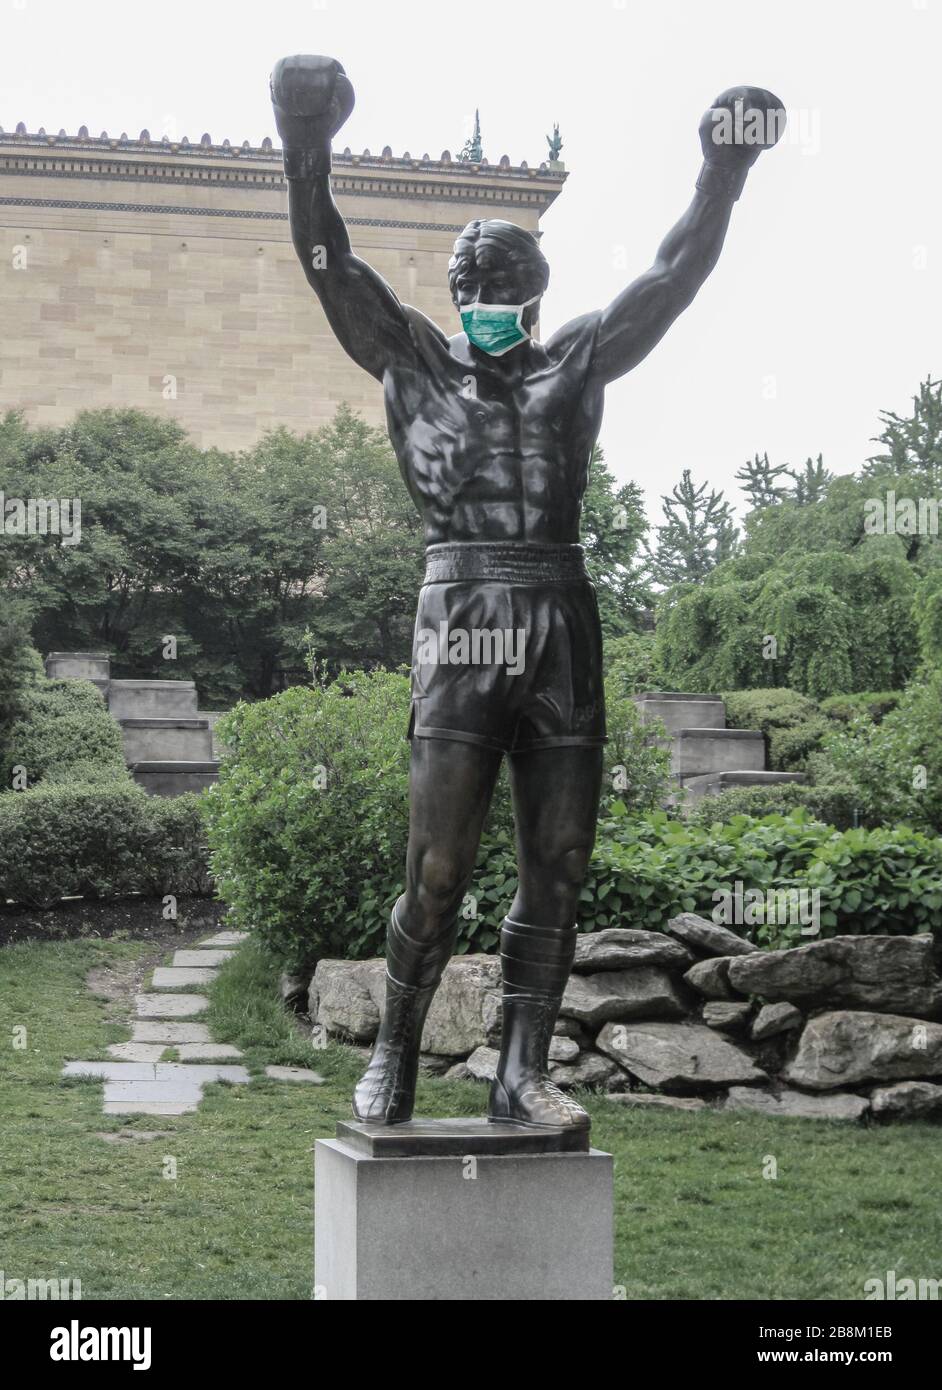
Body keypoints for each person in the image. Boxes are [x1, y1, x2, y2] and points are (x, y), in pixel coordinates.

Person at [270, 56, 784, 1127]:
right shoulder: (411, 359)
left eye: (498, 287)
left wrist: (721, 174)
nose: (479, 301)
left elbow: (672, 277)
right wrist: (304, 143)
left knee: (558, 862)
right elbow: (329, 264)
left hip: (560, 611)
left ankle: (521, 1072)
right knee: (439, 867)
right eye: (466, 287)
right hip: (458, 611)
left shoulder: (577, 363)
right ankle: (396, 1056)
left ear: (530, 296)